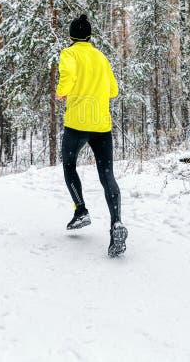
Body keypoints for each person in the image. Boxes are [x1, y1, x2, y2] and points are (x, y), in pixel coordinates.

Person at [56, 14, 128, 257]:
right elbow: (113, 90)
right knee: (107, 175)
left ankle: (81, 210)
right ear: (89, 35)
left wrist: (61, 92)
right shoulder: (101, 57)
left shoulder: (69, 54)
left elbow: (68, 77)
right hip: (101, 125)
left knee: (68, 165)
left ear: (71, 36)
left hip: (77, 122)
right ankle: (116, 223)